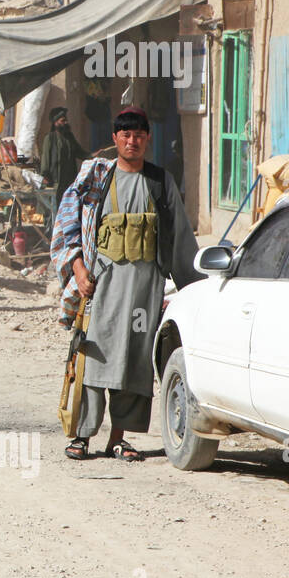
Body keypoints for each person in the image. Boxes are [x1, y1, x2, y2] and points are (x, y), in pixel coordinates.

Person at [50, 106, 202, 463]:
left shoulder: (160, 182)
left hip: (144, 290)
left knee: (133, 362)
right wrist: (78, 269)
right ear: (115, 139)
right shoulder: (97, 179)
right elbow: (68, 223)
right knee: (92, 359)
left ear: (147, 139)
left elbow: (180, 239)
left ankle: (118, 439)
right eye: (126, 135)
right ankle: (82, 437)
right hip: (101, 287)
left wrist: (193, 292)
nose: (132, 141)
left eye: (139, 135)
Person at [40, 105, 89, 207]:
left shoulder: (69, 137)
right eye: (63, 120)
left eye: (66, 120)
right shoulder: (50, 138)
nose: (66, 122)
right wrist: (45, 175)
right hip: (56, 181)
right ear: (55, 122)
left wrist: (92, 155)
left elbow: (79, 152)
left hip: (69, 181)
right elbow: (45, 160)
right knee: (55, 208)